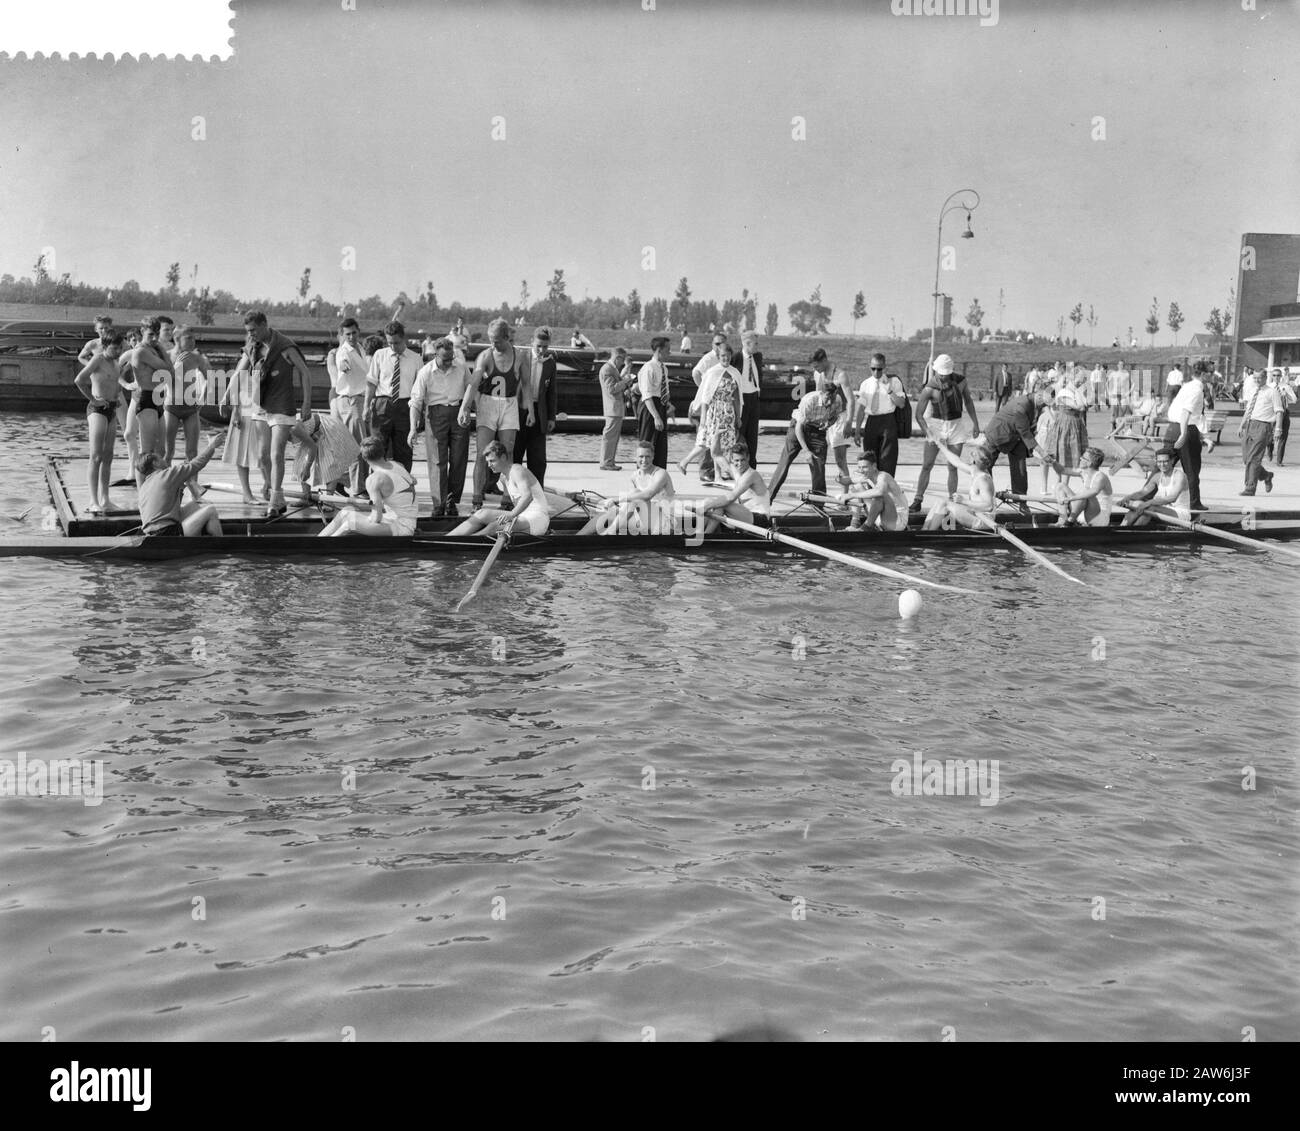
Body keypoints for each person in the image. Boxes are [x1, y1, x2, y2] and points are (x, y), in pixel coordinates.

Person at [243, 310, 313, 516]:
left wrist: (306, 402)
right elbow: (242, 371)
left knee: (276, 453)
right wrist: (229, 396)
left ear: (265, 324)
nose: (251, 334)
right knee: (263, 455)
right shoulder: (252, 347)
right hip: (261, 406)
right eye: (248, 331)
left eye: (254, 330)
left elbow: (305, 372)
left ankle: (275, 499)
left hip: (282, 405)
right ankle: (272, 488)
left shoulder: (285, 346)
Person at [461, 317, 529, 508]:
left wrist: (529, 409)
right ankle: (476, 496)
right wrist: (464, 407)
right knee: (483, 453)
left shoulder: (521, 355)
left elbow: (527, 384)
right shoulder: (485, 355)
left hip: (509, 403)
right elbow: (474, 382)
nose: (493, 344)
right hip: (488, 404)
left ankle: (508, 497)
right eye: (491, 340)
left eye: (497, 340)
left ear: (507, 338)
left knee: (508, 452)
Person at [909, 354, 981, 514]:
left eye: (946, 375)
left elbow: (968, 401)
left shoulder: (961, 381)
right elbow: (919, 415)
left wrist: (976, 423)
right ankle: (917, 499)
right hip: (936, 425)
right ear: (936, 371)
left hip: (956, 425)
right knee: (927, 465)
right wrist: (929, 433)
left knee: (953, 466)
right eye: (940, 374)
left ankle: (952, 500)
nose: (943, 377)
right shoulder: (929, 387)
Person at [409, 336, 470, 516]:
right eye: (445, 359)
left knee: (459, 460)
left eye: (451, 357)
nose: (449, 362)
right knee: (437, 460)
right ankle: (439, 503)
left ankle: (452, 501)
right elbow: (416, 401)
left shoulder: (461, 367)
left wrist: (467, 409)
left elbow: (470, 389)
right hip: (435, 414)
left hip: (458, 412)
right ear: (435, 354)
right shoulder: (426, 372)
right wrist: (413, 428)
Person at [766, 370, 846, 501]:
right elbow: (798, 428)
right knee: (785, 461)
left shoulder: (837, 400)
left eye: (832, 397)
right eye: (827, 397)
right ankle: (768, 497)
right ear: (821, 393)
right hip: (799, 427)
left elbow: (835, 416)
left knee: (819, 464)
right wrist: (806, 451)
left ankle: (818, 503)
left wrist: (828, 424)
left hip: (818, 429)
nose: (829, 401)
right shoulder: (809, 400)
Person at [318, 435, 418, 538]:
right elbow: (414, 481)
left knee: (350, 523)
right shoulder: (398, 465)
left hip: (401, 527)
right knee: (346, 512)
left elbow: (376, 518)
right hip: (397, 519)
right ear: (383, 451)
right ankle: (318, 540)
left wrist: (363, 519)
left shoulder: (374, 480)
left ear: (364, 458)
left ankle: (322, 546)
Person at [449, 439, 551, 537]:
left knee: (495, 526)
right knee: (481, 513)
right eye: (488, 462)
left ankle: (464, 542)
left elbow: (528, 497)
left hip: (538, 519)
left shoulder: (517, 470)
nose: (489, 465)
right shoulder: (503, 477)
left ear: (502, 457)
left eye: (492, 461)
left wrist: (511, 514)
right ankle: (448, 538)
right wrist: (511, 515)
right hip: (521, 516)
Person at [982, 389, 1059, 517]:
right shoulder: (1021, 406)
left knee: (1020, 470)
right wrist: (1042, 452)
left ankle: (1021, 502)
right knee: (985, 465)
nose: (1045, 406)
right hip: (998, 433)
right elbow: (1025, 432)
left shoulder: (1039, 404)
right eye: (1044, 404)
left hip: (1016, 438)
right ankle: (986, 499)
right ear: (1039, 396)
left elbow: (1030, 428)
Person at [120, 317, 179, 485]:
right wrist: (125, 384)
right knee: (146, 453)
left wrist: (159, 348)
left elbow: (172, 372)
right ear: (142, 333)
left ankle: (157, 487)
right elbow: (168, 368)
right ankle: (142, 493)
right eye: (151, 335)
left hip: (158, 400)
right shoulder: (141, 351)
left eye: (156, 335)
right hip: (145, 399)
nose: (154, 339)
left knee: (160, 451)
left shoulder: (154, 350)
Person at [73, 330, 126, 514]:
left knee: (108, 456)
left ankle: (105, 499)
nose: (118, 351)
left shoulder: (115, 362)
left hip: (111, 409)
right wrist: (94, 399)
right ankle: (92, 500)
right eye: (114, 348)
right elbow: (79, 380)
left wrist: (116, 397)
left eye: (120, 347)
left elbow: (114, 384)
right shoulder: (97, 359)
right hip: (96, 410)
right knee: (96, 456)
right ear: (104, 346)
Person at [577, 441, 677, 536]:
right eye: (641, 456)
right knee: (609, 514)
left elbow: (647, 495)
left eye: (648, 457)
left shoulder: (661, 474)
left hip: (666, 525)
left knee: (635, 494)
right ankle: (578, 537)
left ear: (653, 457)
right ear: (635, 457)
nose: (644, 460)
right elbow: (628, 505)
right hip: (646, 521)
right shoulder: (634, 476)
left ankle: (611, 531)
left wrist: (616, 500)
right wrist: (613, 508)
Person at [678, 342, 742, 482]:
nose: (726, 358)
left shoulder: (735, 373)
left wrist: (738, 416)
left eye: (728, 356)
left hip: (728, 412)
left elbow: (737, 397)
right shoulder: (712, 372)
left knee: (723, 446)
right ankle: (686, 462)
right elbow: (705, 398)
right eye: (723, 356)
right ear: (719, 357)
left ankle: (717, 475)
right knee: (710, 444)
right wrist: (703, 418)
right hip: (714, 412)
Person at [363, 319, 420, 475]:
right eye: (390, 343)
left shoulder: (416, 359)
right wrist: (366, 406)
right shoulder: (379, 355)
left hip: (405, 405)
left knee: (404, 450)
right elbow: (371, 382)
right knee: (377, 447)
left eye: (396, 343)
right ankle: (375, 485)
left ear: (404, 339)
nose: (393, 347)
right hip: (382, 403)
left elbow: (419, 389)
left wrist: (419, 413)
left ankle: (403, 486)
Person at [136, 435, 223, 537]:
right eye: (161, 458)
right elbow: (196, 464)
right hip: (167, 533)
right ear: (155, 463)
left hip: (149, 533)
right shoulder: (167, 474)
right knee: (211, 510)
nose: (164, 460)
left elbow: (170, 507)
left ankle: (200, 539)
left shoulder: (144, 486)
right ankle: (223, 547)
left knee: (200, 505)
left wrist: (183, 482)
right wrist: (211, 446)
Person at [220, 344, 273, 505]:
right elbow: (237, 380)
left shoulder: (271, 353)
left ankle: (268, 486)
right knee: (242, 451)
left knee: (265, 452)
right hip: (246, 407)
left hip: (264, 407)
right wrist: (234, 409)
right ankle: (247, 493)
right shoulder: (249, 355)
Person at [162, 326, 210, 502]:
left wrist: (202, 398)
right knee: (169, 451)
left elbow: (209, 377)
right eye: (188, 338)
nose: (193, 341)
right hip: (171, 407)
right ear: (177, 339)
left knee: (192, 451)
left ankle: (194, 490)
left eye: (193, 338)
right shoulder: (167, 355)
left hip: (191, 408)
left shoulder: (197, 357)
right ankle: (165, 487)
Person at [515, 326, 558, 486]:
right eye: (538, 345)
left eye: (545, 346)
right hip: (519, 411)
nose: (541, 349)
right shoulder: (521, 358)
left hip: (540, 413)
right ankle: (512, 493)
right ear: (531, 342)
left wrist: (552, 417)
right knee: (515, 454)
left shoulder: (550, 363)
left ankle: (537, 491)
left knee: (538, 459)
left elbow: (552, 392)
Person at [331, 318, 371, 493]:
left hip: (361, 400)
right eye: (348, 334)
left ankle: (343, 480)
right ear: (342, 335)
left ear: (359, 331)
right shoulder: (343, 352)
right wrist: (343, 367)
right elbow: (342, 363)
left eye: (354, 333)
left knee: (362, 444)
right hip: (351, 400)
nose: (352, 336)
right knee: (358, 447)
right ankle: (357, 488)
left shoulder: (360, 348)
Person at [921, 442, 998, 531]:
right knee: (940, 500)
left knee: (944, 504)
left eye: (971, 454)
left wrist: (963, 501)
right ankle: (924, 530)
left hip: (984, 521)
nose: (969, 456)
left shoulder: (983, 480)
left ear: (973, 460)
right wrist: (940, 445)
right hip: (975, 514)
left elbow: (988, 506)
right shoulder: (975, 470)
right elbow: (956, 461)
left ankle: (929, 534)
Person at [696, 439, 771, 531]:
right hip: (745, 516)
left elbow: (731, 497)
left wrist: (706, 507)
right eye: (737, 460)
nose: (740, 464)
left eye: (743, 460)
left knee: (721, 504)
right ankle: (699, 534)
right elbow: (716, 454)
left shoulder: (752, 475)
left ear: (748, 457)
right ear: (732, 459)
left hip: (760, 519)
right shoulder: (737, 472)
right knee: (708, 501)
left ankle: (705, 537)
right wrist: (717, 434)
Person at [853, 352, 906, 476]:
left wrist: (890, 391)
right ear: (870, 367)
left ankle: (886, 487)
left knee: (888, 459)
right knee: (869, 459)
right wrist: (856, 431)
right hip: (871, 421)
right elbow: (861, 408)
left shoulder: (894, 381)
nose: (876, 372)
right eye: (873, 369)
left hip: (888, 421)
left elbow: (901, 404)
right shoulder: (865, 384)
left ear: (885, 367)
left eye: (879, 369)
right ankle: (871, 488)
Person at [807, 348, 854, 486]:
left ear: (824, 360)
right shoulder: (818, 374)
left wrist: (849, 422)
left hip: (840, 418)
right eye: (813, 367)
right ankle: (819, 488)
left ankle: (845, 495)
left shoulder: (840, 375)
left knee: (840, 459)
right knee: (820, 457)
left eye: (817, 366)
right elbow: (818, 396)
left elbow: (851, 400)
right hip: (827, 418)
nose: (815, 369)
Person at [1164, 363, 1206, 510]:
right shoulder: (1196, 390)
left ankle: (1147, 495)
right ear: (1204, 375)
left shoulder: (1186, 386)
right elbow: (1186, 412)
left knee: (1163, 465)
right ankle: (1193, 502)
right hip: (1185, 429)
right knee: (1191, 469)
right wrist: (1183, 434)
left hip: (1171, 429)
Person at [292, 410, 361, 499]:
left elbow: (313, 447)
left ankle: (328, 499)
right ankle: (306, 497)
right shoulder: (276, 430)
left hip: (328, 428)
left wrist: (307, 468)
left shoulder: (294, 428)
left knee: (330, 464)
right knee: (301, 463)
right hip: (312, 433)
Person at [690, 331, 730, 483]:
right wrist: (704, 390)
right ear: (712, 345)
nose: (719, 346)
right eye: (716, 343)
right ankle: (704, 470)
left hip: (718, 406)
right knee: (705, 438)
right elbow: (695, 373)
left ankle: (717, 470)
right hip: (706, 404)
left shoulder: (724, 358)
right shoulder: (709, 358)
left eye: (722, 343)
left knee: (717, 438)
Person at [1236, 367, 1281, 496]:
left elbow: (1279, 411)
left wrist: (1278, 429)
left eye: (1259, 378)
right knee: (1246, 459)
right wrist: (1241, 425)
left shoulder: (1272, 392)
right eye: (1255, 377)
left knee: (1254, 458)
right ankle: (1266, 476)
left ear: (1265, 378)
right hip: (1250, 425)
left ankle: (1250, 487)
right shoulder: (1253, 390)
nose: (1256, 380)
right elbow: (1248, 410)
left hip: (1263, 426)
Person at [839, 449, 908, 532]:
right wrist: (839, 479)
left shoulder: (883, 476)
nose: (861, 470)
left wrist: (850, 495)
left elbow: (880, 492)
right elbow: (848, 481)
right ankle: (854, 524)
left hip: (897, 523)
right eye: (859, 467)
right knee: (856, 486)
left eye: (864, 467)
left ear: (874, 466)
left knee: (879, 495)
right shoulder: (867, 477)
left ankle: (864, 528)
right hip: (880, 520)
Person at [1119, 448, 1190, 525]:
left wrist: (1149, 503)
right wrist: (1127, 498)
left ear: (1172, 461)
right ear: (1156, 461)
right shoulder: (1157, 476)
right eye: (1159, 461)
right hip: (1164, 511)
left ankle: (1133, 532)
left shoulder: (1179, 476)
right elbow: (1142, 493)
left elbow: (1172, 498)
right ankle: (1122, 527)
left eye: (1165, 461)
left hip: (1180, 514)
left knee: (1151, 508)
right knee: (1137, 504)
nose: (1162, 465)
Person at [636, 336, 675, 469]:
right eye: (668, 349)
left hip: (660, 405)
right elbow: (647, 395)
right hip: (649, 408)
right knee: (648, 443)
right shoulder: (648, 368)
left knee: (660, 445)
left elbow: (664, 392)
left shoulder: (664, 368)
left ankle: (658, 476)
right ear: (659, 349)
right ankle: (642, 477)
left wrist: (668, 405)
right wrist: (656, 416)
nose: (670, 352)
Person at [597, 347, 636, 470]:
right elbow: (612, 389)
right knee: (610, 437)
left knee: (612, 437)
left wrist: (624, 383)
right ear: (617, 357)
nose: (623, 362)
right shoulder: (608, 369)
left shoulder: (611, 369)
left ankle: (609, 462)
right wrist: (625, 381)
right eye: (622, 359)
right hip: (613, 409)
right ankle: (606, 463)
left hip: (615, 408)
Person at [732, 330, 764, 470]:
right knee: (740, 433)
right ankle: (738, 465)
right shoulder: (736, 357)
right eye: (755, 343)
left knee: (753, 434)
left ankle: (752, 466)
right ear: (746, 343)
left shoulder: (757, 357)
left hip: (754, 397)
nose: (757, 346)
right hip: (741, 398)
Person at [1054, 367, 1090, 484]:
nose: (1081, 382)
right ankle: (1060, 484)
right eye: (1080, 379)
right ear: (1072, 377)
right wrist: (1079, 392)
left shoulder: (1075, 391)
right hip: (1066, 425)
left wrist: (1081, 392)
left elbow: (1086, 404)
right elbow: (1080, 406)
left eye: (1083, 380)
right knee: (1063, 455)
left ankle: (1063, 484)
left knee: (1071, 456)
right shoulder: (1064, 392)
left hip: (1076, 424)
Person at [1270, 369, 1294, 465]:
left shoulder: (1286, 387)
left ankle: (1279, 460)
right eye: (1274, 375)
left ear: (1281, 376)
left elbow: (1294, 399)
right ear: (1272, 376)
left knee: (1283, 437)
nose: (1276, 377)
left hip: (1284, 412)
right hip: (1272, 413)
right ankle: (1269, 449)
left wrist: (1286, 395)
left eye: (1278, 375)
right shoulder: (1268, 387)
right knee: (1270, 436)